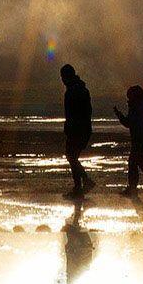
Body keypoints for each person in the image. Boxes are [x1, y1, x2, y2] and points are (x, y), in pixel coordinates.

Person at [114, 85, 143, 199]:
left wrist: (119, 115)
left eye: (130, 97)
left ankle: (135, 188)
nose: (128, 99)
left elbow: (129, 123)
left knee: (134, 163)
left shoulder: (137, 108)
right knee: (140, 163)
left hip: (139, 139)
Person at [60, 63, 95, 199]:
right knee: (72, 157)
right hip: (82, 128)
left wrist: (71, 126)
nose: (62, 80)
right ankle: (80, 185)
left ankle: (83, 183)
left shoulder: (73, 91)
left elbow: (75, 113)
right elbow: (88, 111)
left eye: (63, 77)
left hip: (77, 129)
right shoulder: (81, 89)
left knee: (71, 157)